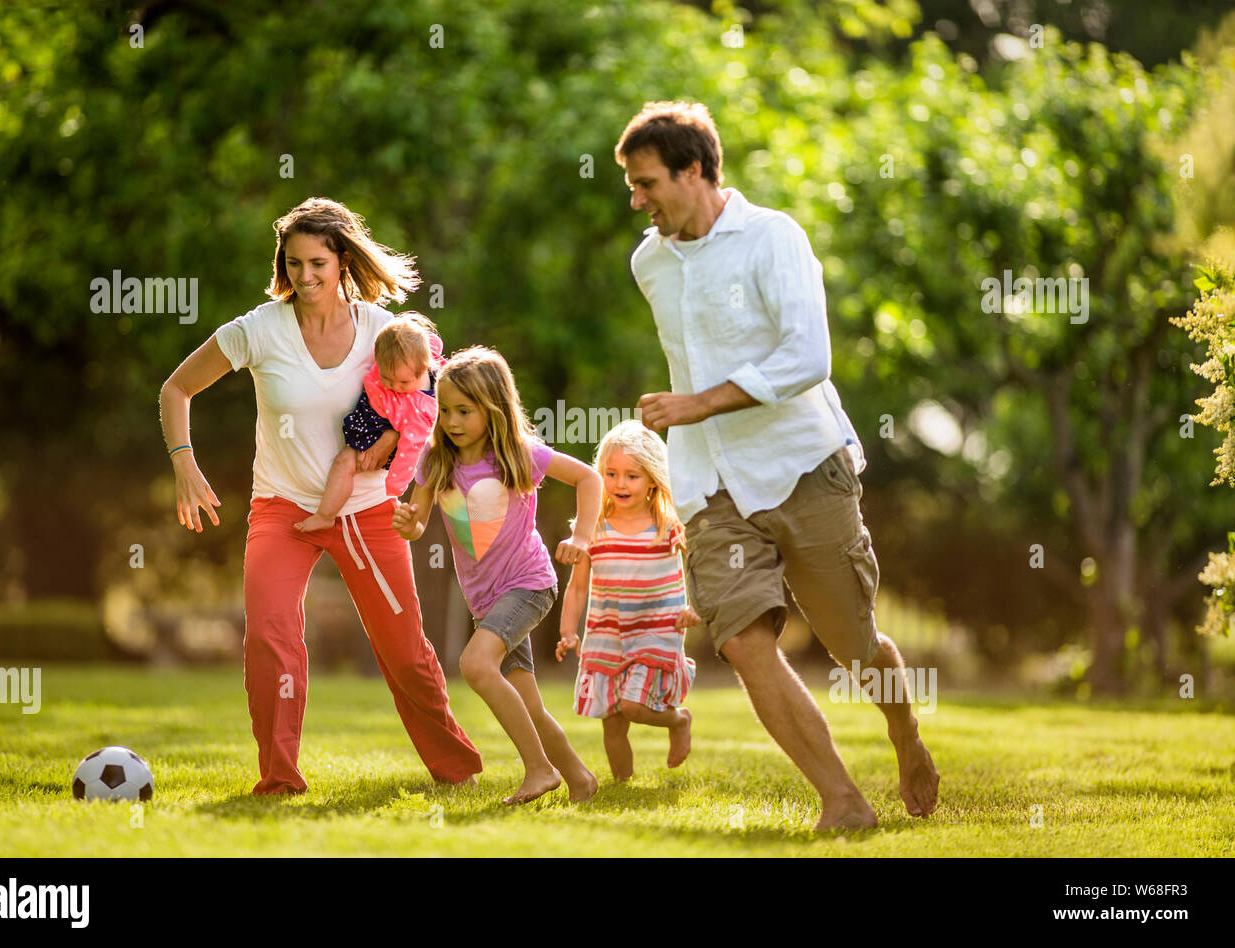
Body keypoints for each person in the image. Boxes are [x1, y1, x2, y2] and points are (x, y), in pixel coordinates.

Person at [616, 101, 940, 830]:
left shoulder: (773, 238)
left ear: (693, 169)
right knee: (741, 639)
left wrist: (698, 403)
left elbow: (807, 357)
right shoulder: (649, 262)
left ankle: (904, 731)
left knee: (853, 646)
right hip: (712, 484)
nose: (636, 200)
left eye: (645, 183)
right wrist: (685, 417)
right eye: (631, 186)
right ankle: (843, 801)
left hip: (802, 464)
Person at [158, 197, 481, 795]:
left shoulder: (388, 332)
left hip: (366, 511)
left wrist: (424, 497)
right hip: (281, 508)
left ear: (344, 263)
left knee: (404, 647)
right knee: (270, 635)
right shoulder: (260, 329)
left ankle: (456, 769)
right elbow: (176, 389)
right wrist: (184, 463)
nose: (305, 276)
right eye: (294, 262)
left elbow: (435, 413)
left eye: (318, 263)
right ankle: (279, 778)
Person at [391, 346, 601, 806]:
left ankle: (539, 771)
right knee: (530, 707)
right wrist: (410, 525)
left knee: (474, 664)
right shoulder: (435, 461)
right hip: (484, 600)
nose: (451, 420)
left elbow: (589, 479)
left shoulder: (518, 455)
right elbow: (419, 521)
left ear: (494, 410)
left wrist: (582, 538)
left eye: (464, 411)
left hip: (529, 584)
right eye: (445, 409)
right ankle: (581, 780)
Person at [555, 419, 698, 781]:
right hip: (607, 634)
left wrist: (696, 606)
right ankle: (623, 783)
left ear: (652, 478)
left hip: (657, 629)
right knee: (613, 726)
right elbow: (577, 586)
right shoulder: (593, 526)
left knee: (634, 705)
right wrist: (568, 631)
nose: (620, 484)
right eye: (611, 473)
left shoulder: (669, 526)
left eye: (632, 476)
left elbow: (701, 565)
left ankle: (678, 719)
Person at [295, 311, 443, 533]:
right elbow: (429, 342)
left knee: (343, 464)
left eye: (403, 382)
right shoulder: (416, 355)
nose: (394, 386)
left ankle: (325, 515)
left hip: (378, 430)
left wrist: (395, 485)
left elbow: (409, 451)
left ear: (423, 369)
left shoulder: (418, 410)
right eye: (387, 378)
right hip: (374, 416)